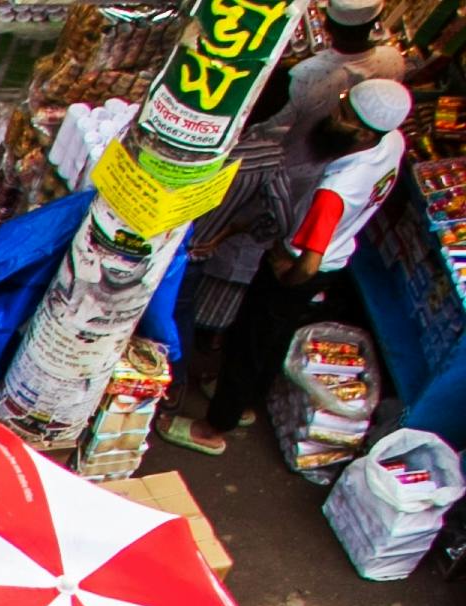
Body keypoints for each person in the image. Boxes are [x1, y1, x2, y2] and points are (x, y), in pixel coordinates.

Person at [176, 77, 412, 454]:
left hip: (302, 266)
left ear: (364, 133)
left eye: (343, 113)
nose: (334, 113)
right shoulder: (392, 142)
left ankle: (212, 428)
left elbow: (310, 260)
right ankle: (245, 403)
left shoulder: (335, 192)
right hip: (336, 256)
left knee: (247, 344)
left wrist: (287, 272)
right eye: (341, 102)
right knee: (271, 341)